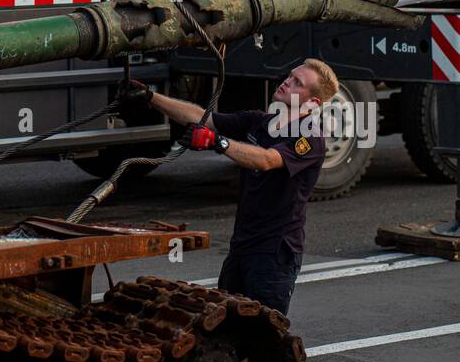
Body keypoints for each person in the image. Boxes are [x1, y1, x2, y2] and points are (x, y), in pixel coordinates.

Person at [128, 59, 339, 315]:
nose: (287, 81)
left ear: (312, 102)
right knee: (226, 327)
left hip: (274, 254)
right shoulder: (259, 122)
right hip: (242, 246)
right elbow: (202, 118)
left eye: (298, 83)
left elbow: (267, 160)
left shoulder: (309, 139)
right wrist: (150, 96)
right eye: (290, 76)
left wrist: (219, 143)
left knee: (263, 333)